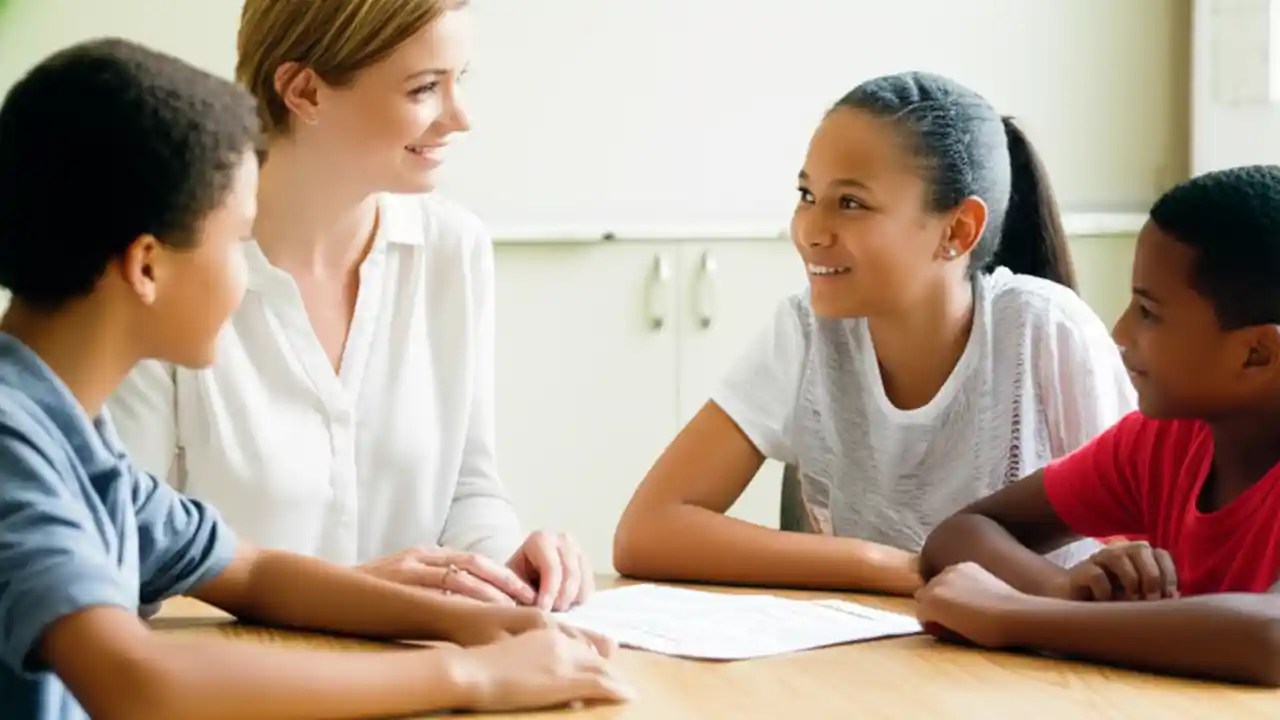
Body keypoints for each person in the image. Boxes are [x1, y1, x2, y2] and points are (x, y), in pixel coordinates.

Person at [0, 37, 633, 720]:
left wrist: (488, 625)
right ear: (146, 267)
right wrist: (470, 675)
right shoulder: (14, 446)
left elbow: (255, 573)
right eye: (237, 240)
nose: (250, 271)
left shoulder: (77, 439)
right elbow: (136, 681)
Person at [106, 0, 590, 611]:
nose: (460, 118)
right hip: (234, 682)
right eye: (423, 89)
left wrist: (507, 565)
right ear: (304, 90)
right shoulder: (169, 268)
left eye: (458, 81)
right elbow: (124, 563)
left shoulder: (452, 249)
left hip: (419, 671)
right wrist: (346, 598)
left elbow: (468, 489)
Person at [613, 71, 1135, 595]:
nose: (811, 232)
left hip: (1038, 666)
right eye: (806, 194)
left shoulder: (1046, 332)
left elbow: (1142, 556)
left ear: (957, 231)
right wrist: (888, 567)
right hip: (878, 656)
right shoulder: (805, 332)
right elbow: (646, 531)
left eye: (851, 203)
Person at [917, 165, 1280, 686]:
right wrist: (1062, 590)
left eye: (1150, 313)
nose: (1121, 330)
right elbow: (959, 534)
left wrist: (1015, 616)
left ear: (1256, 354)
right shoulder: (1163, 441)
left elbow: (1271, 637)